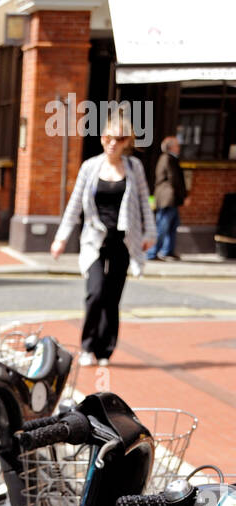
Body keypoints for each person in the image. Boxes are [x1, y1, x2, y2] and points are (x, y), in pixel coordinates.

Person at [50, 110, 153, 367]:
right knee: (95, 292)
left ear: (127, 141)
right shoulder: (90, 167)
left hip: (123, 240)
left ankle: (105, 350)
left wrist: (151, 233)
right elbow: (75, 204)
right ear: (102, 138)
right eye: (108, 137)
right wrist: (61, 237)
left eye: (119, 138)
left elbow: (143, 202)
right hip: (95, 239)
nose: (112, 143)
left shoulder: (134, 168)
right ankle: (87, 346)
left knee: (112, 297)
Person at [148, 136, 186, 261]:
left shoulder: (169, 158)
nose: (179, 147)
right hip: (167, 198)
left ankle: (167, 251)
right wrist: (184, 196)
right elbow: (174, 179)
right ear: (171, 147)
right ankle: (152, 253)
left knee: (172, 226)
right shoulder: (167, 159)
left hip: (170, 199)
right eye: (177, 145)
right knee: (162, 227)